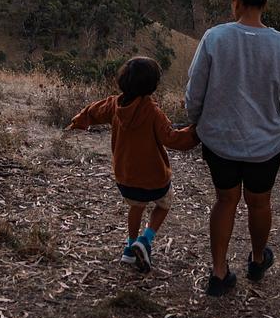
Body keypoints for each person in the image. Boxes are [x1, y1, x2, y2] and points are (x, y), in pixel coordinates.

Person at [185, 0, 280, 297]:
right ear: (264, 4)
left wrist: (194, 120)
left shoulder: (215, 38)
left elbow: (196, 90)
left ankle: (219, 273)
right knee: (259, 202)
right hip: (264, 145)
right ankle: (256, 259)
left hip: (219, 140)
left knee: (225, 201)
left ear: (236, 2)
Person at [66, 56, 199, 273]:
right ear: (152, 85)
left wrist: (78, 121)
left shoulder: (114, 105)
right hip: (155, 180)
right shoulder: (153, 112)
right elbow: (171, 138)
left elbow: (92, 111)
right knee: (164, 204)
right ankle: (146, 240)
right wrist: (195, 133)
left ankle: (129, 247)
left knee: (136, 206)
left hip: (126, 179)